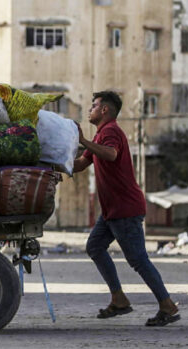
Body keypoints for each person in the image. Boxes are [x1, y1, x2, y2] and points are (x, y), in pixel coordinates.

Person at [74, 91, 181, 327]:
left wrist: (82, 141)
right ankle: (119, 299)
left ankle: (168, 306)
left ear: (105, 110)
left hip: (125, 208)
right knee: (94, 246)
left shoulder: (110, 131)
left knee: (138, 260)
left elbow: (111, 154)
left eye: (93, 106)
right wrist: (50, 164)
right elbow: (81, 164)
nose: (89, 110)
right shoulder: (101, 134)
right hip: (113, 210)